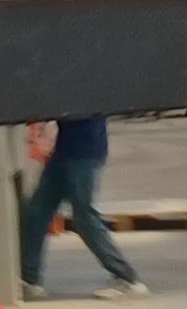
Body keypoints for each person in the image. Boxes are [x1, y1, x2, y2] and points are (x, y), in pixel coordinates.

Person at [21, 112, 143, 295]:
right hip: (64, 152)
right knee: (38, 212)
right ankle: (29, 279)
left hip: (84, 152)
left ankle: (126, 277)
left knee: (85, 217)